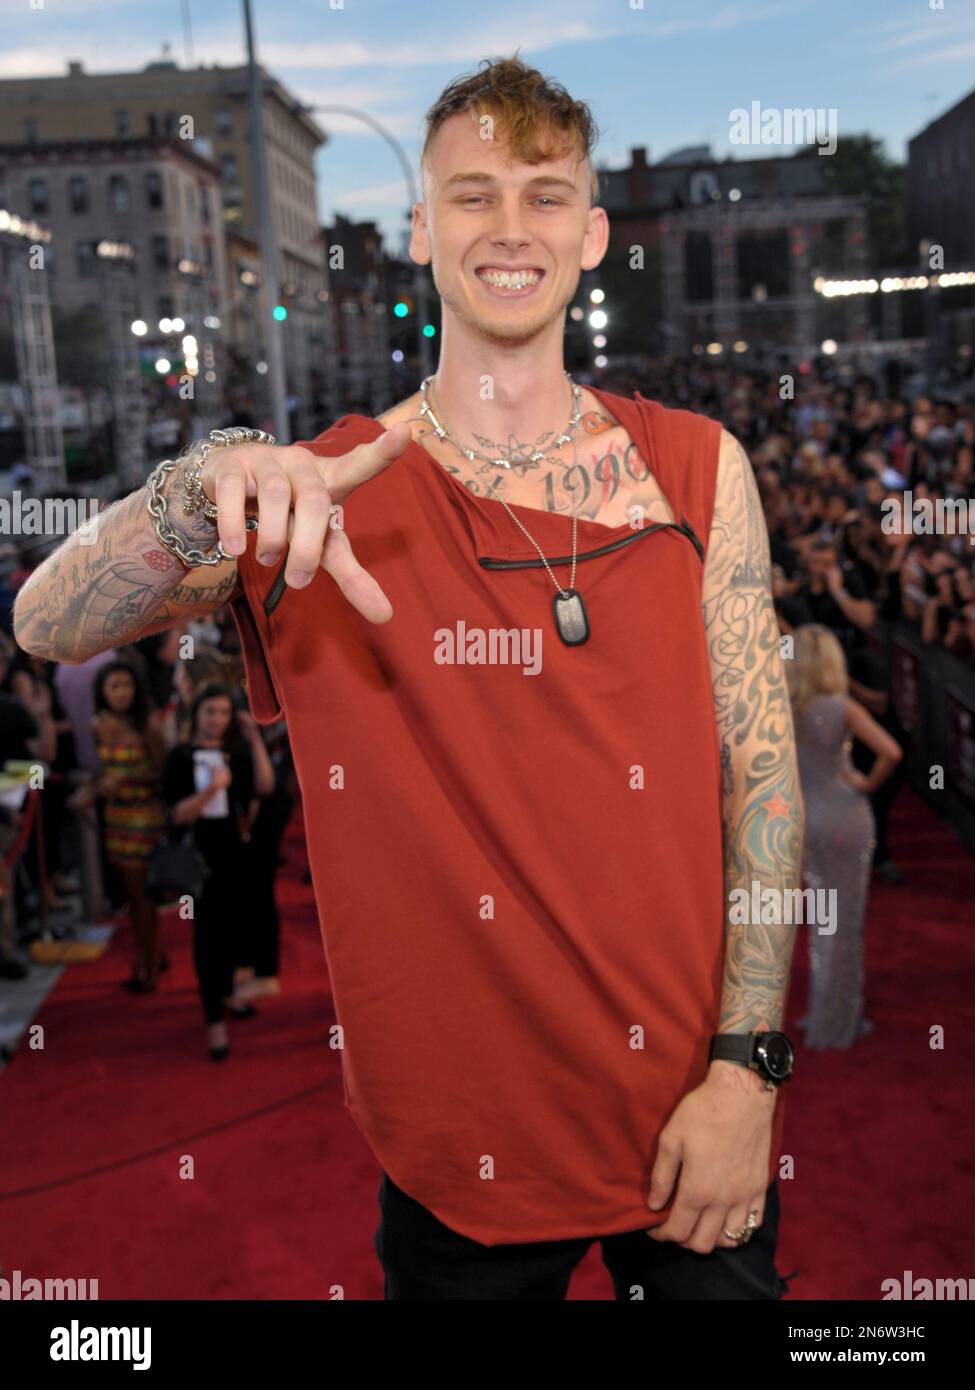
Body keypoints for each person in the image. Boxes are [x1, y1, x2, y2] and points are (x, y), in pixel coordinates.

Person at [13, 56, 804, 1300]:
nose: (510, 227)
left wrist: (749, 1068)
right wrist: (198, 489)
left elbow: (762, 788)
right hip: (456, 1154)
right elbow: (45, 620)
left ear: (592, 234)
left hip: (693, 1122)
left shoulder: (698, 469)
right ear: (421, 229)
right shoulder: (315, 491)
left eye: (546, 194)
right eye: (472, 193)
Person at [785, 626, 902, 1049]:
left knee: (822, 921)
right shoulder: (842, 706)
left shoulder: (782, 707)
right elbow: (891, 750)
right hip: (845, 814)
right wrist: (867, 782)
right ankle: (836, 1025)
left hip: (804, 818)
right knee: (845, 925)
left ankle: (821, 1013)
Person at [161, 682, 273, 1060]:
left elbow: (264, 787)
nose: (217, 720)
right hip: (199, 859)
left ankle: (229, 994)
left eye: (224, 713)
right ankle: (214, 1020)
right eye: (211, 712)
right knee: (207, 939)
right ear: (197, 714)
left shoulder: (234, 752)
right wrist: (212, 790)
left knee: (236, 930)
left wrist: (254, 739)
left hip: (234, 854)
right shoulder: (180, 756)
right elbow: (175, 814)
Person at [86, 660, 168, 992]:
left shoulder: (149, 722)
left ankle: (148, 965)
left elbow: (163, 772)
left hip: (145, 816)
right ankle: (151, 954)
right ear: (102, 692)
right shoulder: (98, 724)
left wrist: (125, 779)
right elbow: (103, 770)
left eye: (127, 685)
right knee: (132, 895)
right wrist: (98, 787)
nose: (121, 693)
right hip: (115, 817)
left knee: (142, 895)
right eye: (114, 686)